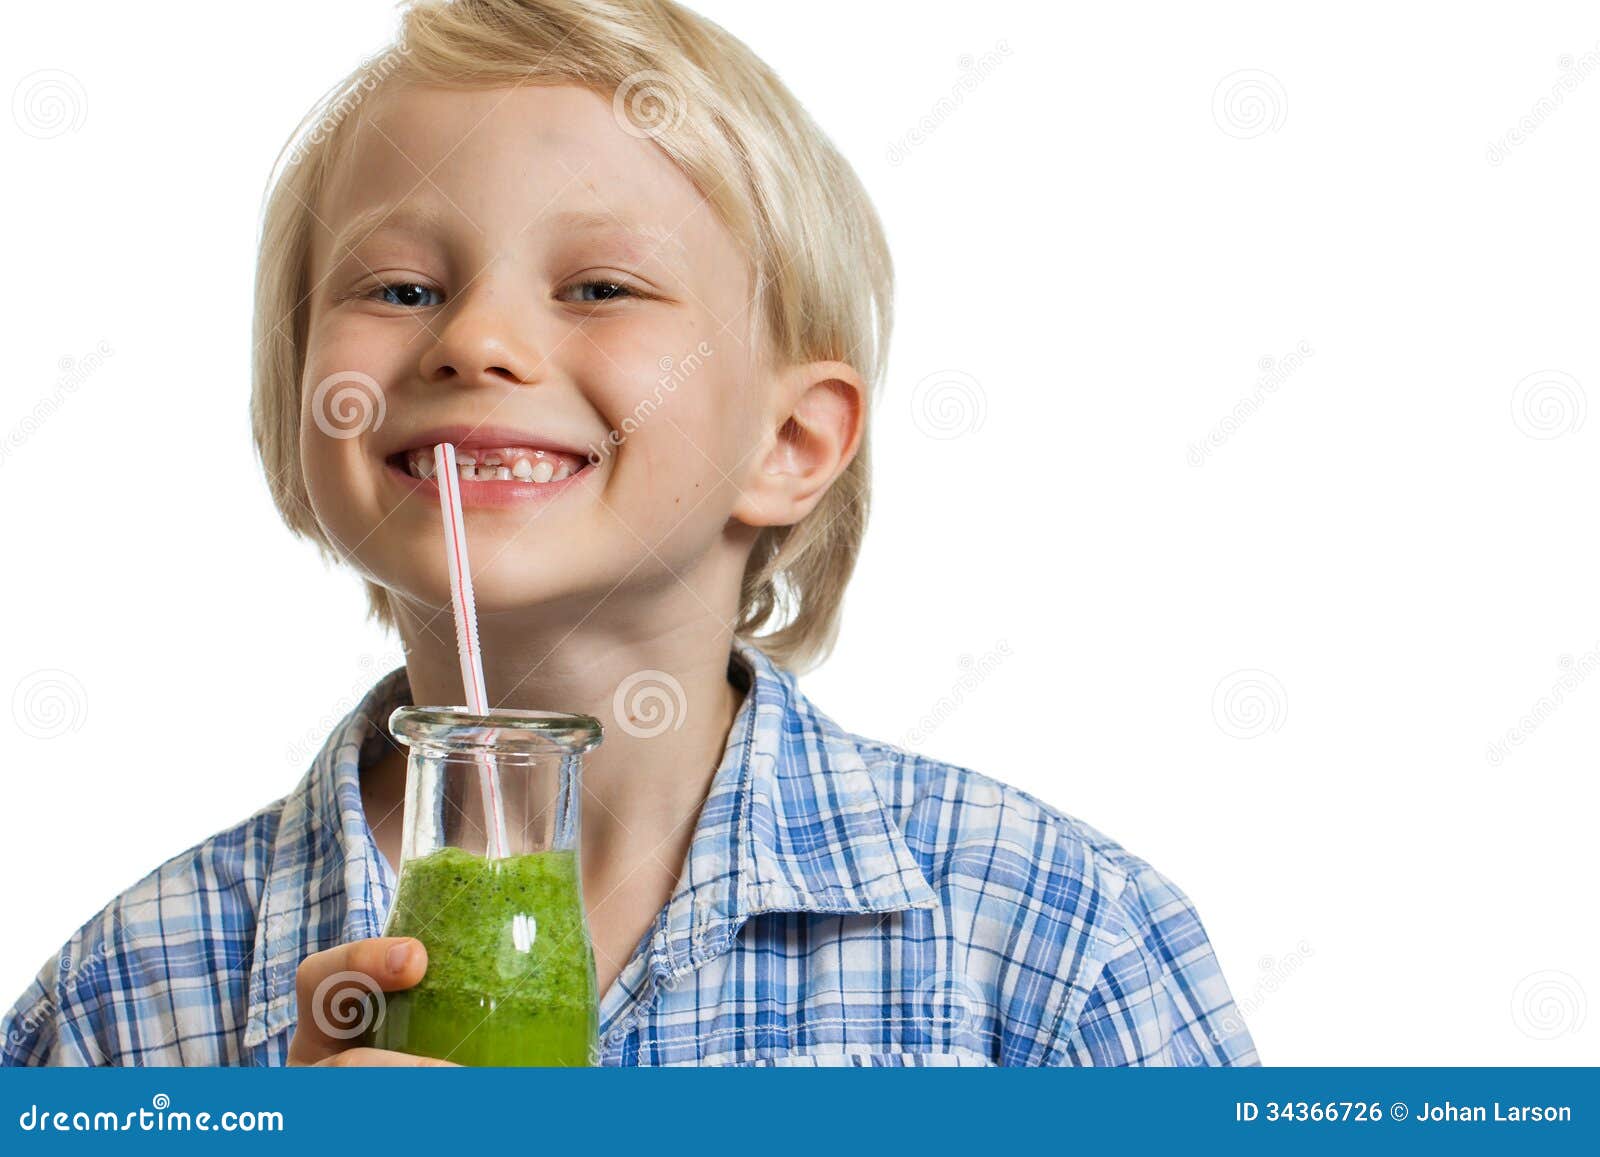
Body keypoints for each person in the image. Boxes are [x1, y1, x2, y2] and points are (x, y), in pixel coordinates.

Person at [1, 0, 1259, 1067]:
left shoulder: (1052, 945)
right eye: (401, 289)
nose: (473, 340)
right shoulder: (131, 1000)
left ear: (791, 444)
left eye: (598, 286)